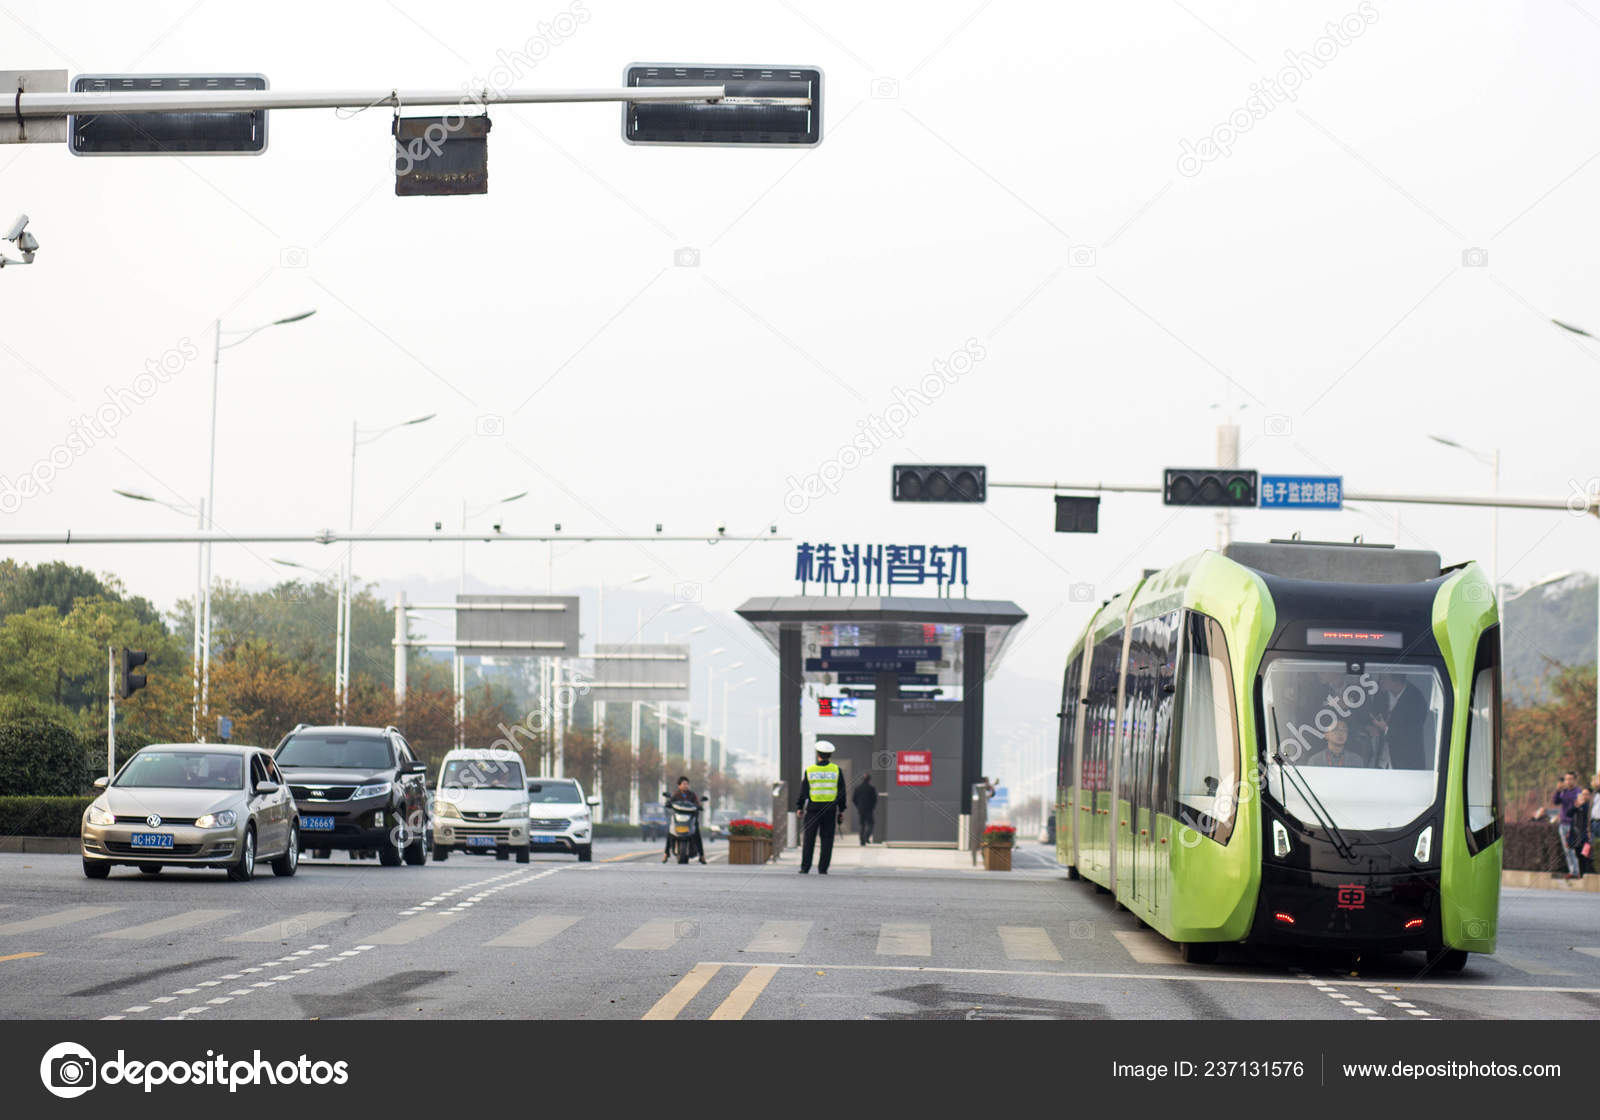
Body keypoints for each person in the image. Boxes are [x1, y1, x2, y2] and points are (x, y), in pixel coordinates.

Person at [796, 741, 845, 874]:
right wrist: (841, 810)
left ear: (818, 754)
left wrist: (800, 807)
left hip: (813, 809)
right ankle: (823, 868)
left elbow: (804, 791)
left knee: (809, 839)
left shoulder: (810, 770)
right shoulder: (836, 770)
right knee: (827, 839)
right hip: (830, 810)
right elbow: (841, 792)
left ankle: (805, 867)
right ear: (830, 755)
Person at [1369, 673, 1429, 770]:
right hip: (1383, 759)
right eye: (1380, 677)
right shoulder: (1381, 692)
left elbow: (1411, 734)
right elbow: (1375, 712)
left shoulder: (1416, 699)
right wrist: (1374, 726)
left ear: (1396, 680)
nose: (1380, 681)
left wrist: (1386, 729)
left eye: (1384, 678)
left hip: (1406, 762)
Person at [1531, 771, 1582, 879]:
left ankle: (1575, 871)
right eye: (1566, 779)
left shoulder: (1578, 792)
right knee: (1567, 850)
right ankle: (1573, 870)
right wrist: (1558, 791)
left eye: (1570, 779)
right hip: (1563, 823)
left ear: (1574, 780)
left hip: (1572, 824)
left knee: (1571, 849)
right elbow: (1556, 801)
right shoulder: (1563, 791)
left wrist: (1563, 792)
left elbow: (1575, 803)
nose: (1568, 781)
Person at [662, 776, 707, 864]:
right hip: (677, 819)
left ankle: (701, 856)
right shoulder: (676, 794)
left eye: (687, 784)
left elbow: (697, 802)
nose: (685, 786)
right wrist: (668, 803)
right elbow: (670, 801)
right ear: (679, 785)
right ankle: (666, 854)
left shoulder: (692, 795)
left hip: (691, 819)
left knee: (697, 834)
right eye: (684, 784)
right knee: (670, 834)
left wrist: (699, 806)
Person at [851, 773, 878, 845]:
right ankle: (866, 837)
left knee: (862, 825)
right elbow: (874, 799)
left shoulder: (857, 788)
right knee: (871, 824)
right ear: (869, 780)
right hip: (869, 809)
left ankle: (862, 840)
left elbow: (853, 799)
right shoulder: (871, 789)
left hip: (861, 809)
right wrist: (872, 807)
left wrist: (858, 806)